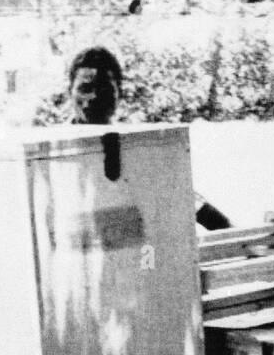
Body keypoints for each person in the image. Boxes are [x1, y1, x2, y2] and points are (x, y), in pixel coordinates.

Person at [65, 46, 232, 231]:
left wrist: (232, 233)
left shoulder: (135, 150)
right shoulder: (49, 155)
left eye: (104, 89)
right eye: (85, 89)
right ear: (69, 92)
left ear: (119, 94)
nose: (94, 98)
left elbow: (186, 199)